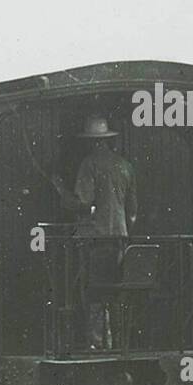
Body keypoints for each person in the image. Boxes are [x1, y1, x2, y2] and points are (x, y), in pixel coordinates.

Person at [71, 115, 138, 349]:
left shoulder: (89, 164)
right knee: (117, 291)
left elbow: (84, 200)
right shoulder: (125, 166)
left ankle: (96, 344)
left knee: (94, 292)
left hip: (96, 238)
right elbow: (132, 210)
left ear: (92, 142)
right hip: (120, 237)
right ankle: (119, 343)